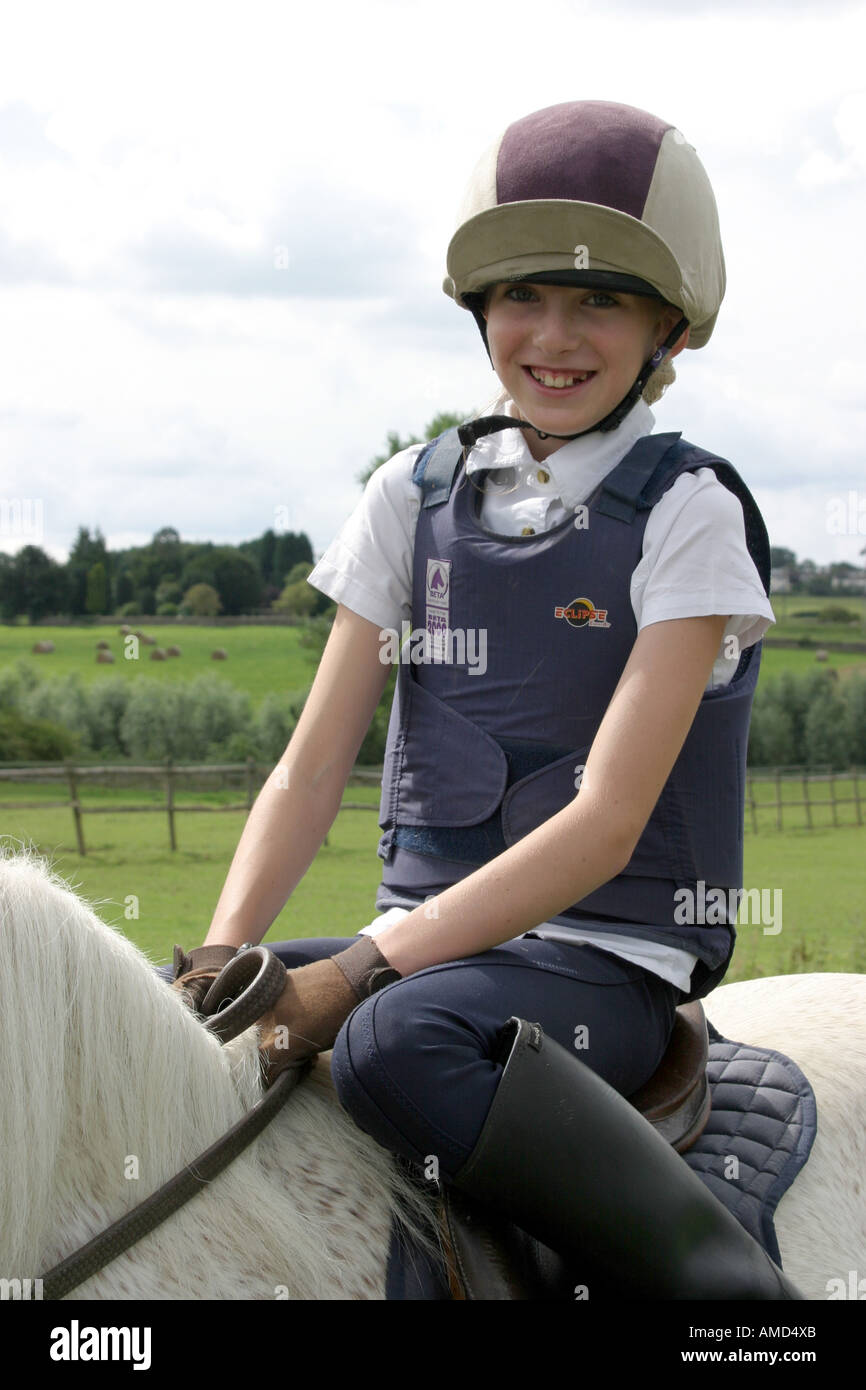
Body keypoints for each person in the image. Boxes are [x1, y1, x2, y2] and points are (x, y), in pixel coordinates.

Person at [174, 100, 801, 1298]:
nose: (551, 336)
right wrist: (224, 948)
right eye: (521, 298)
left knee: (393, 1045)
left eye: (600, 302)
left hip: (600, 962)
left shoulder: (686, 514)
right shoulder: (410, 496)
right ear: (478, 313)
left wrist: (357, 966)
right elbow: (309, 770)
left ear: (670, 327)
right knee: (154, 1015)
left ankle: (732, 1302)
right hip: (424, 950)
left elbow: (607, 821)